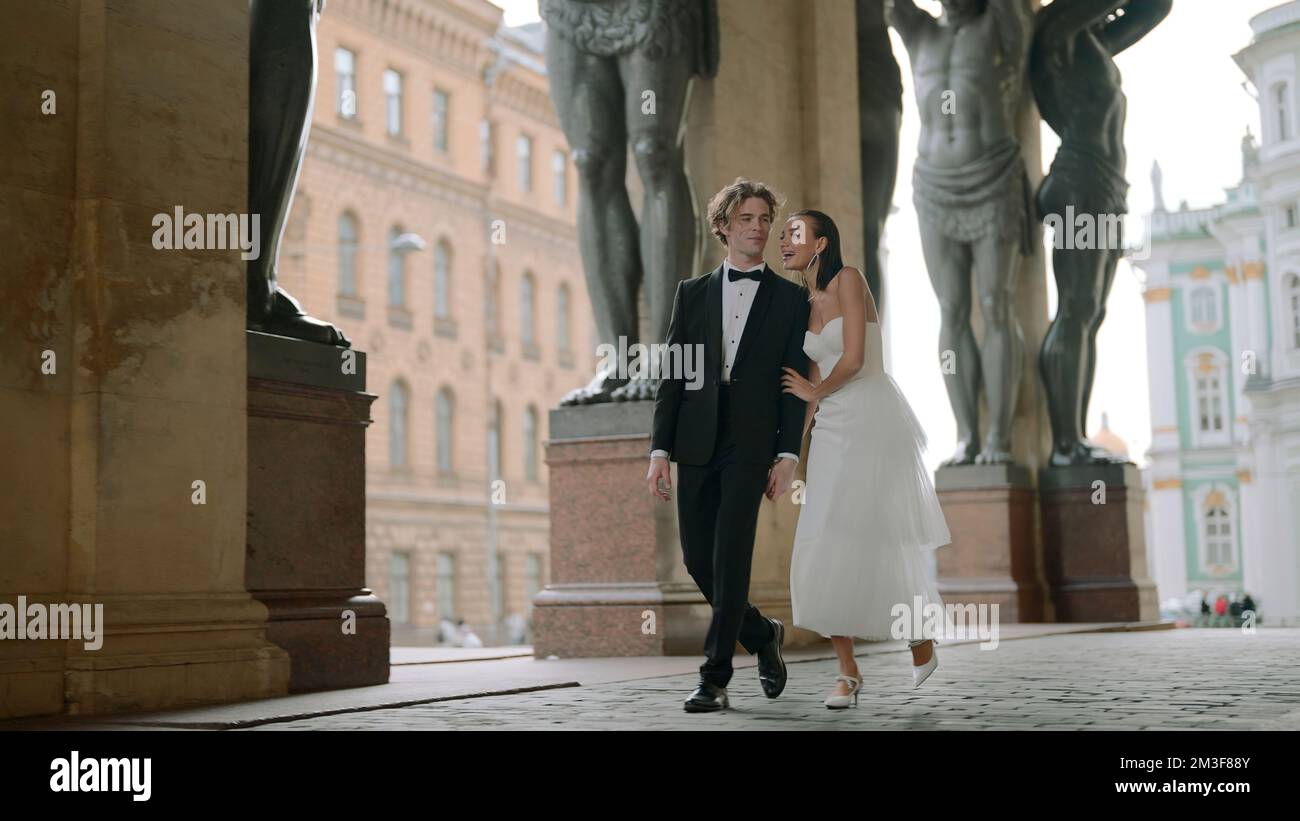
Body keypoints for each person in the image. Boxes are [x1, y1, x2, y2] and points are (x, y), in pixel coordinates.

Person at [646, 178, 812, 713]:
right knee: (699, 561)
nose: (758, 229)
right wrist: (659, 451)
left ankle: (714, 677)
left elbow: (792, 381)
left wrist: (788, 456)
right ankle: (762, 633)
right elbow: (674, 377)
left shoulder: (791, 299)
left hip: (751, 445)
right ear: (723, 227)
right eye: (747, 219)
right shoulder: (690, 294)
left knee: (731, 557)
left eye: (765, 219)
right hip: (696, 440)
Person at [778, 210, 952, 709]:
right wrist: (792, 449)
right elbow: (810, 391)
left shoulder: (849, 280)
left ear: (821, 242)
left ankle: (919, 639)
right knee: (821, 535)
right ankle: (848, 672)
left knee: (870, 533)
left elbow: (853, 359)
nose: (784, 243)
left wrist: (815, 388)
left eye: (794, 234)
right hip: (831, 426)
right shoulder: (804, 303)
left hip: (872, 418)